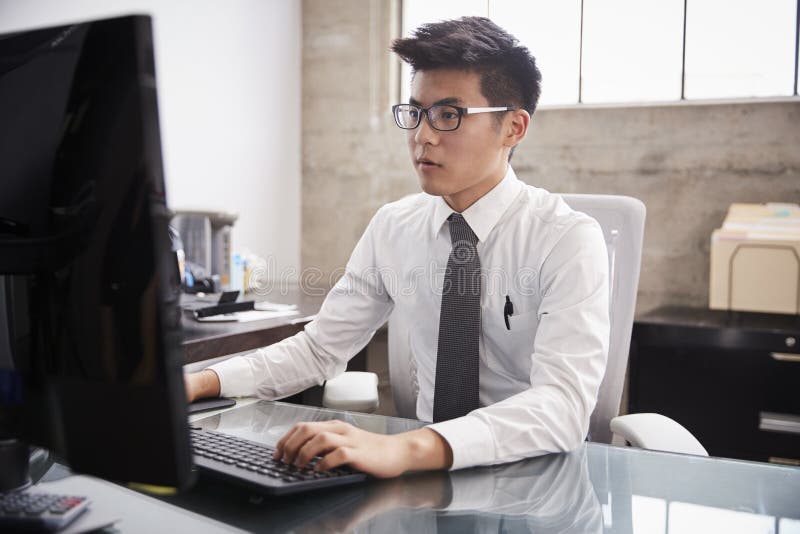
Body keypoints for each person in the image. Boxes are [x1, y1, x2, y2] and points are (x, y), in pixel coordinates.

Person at [185, 16, 609, 478]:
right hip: (424, 477)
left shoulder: (567, 239)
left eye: (449, 115)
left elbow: (563, 407)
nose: (422, 136)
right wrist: (202, 381)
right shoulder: (394, 226)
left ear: (513, 127)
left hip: (536, 483)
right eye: (416, 113)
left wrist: (406, 448)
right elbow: (318, 350)